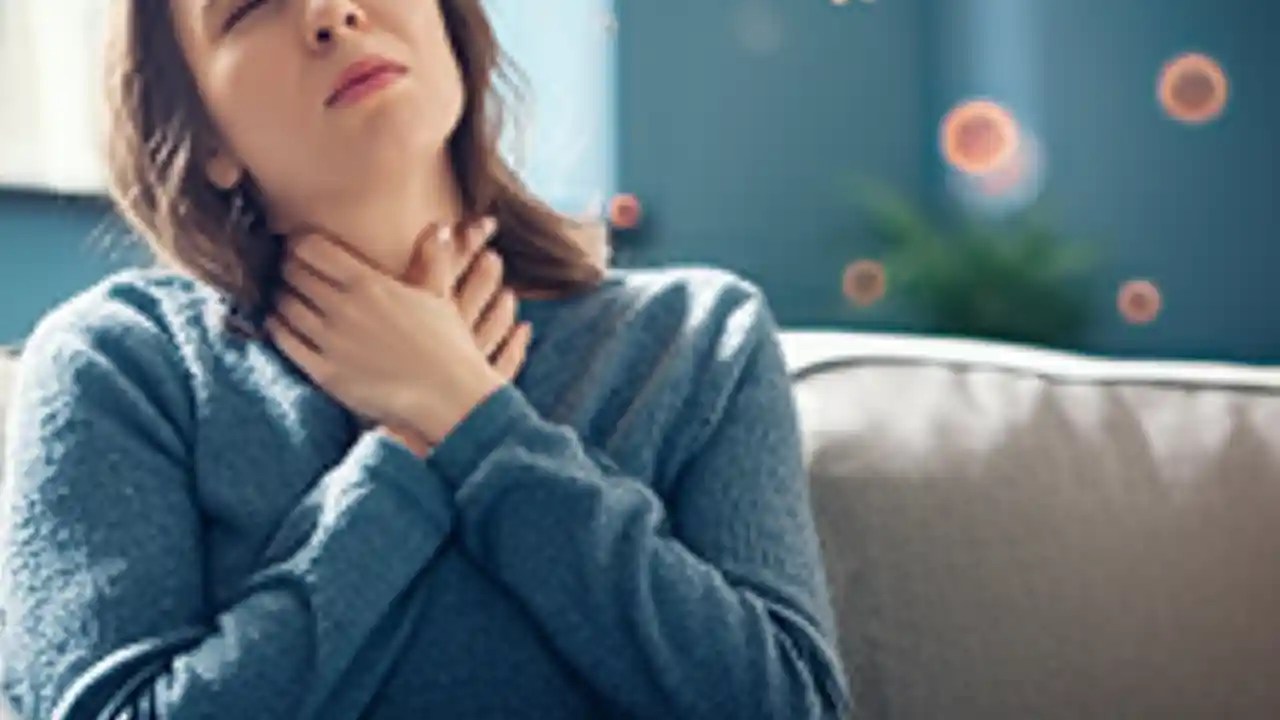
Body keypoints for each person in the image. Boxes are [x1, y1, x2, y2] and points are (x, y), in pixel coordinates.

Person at [0, 1, 852, 718]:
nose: (331, 14)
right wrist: (404, 456)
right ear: (205, 137)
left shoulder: (698, 340)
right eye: (252, 3)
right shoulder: (124, 364)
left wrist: (470, 414)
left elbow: (785, 703)